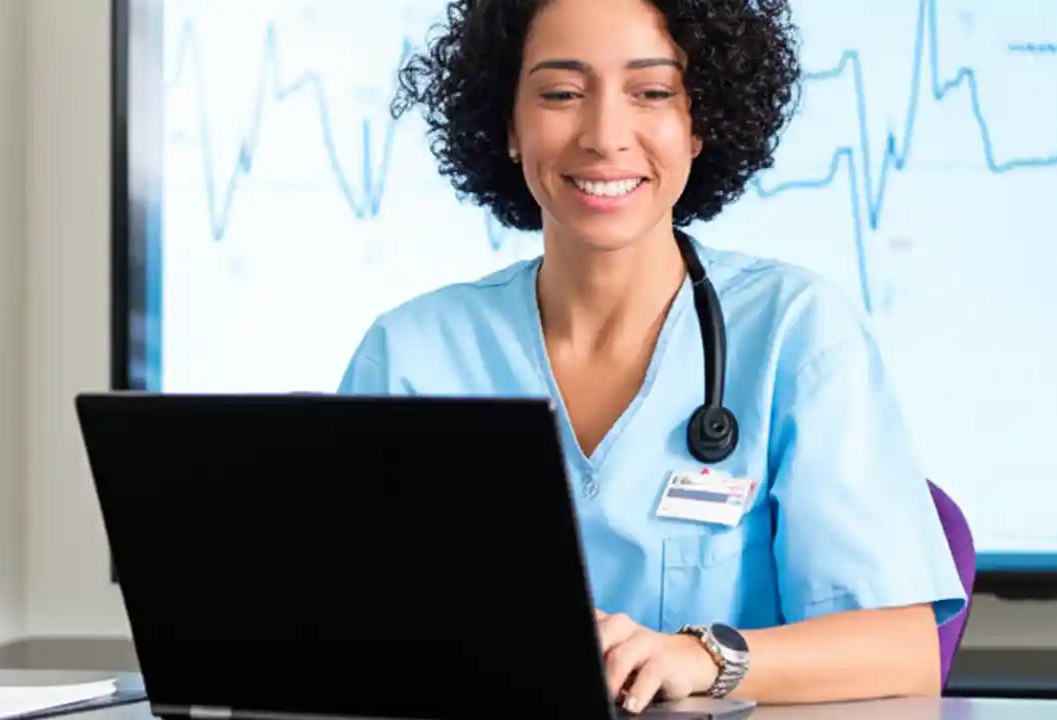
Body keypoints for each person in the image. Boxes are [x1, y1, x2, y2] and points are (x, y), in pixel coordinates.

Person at [338, 0, 966, 710]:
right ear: (508, 125)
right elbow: (333, 630)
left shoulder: (795, 331)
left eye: (653, 92)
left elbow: (902, 652)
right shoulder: (410, 354)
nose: (605, 136)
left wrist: (701, 658)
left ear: (701, 124)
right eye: (561, 94)